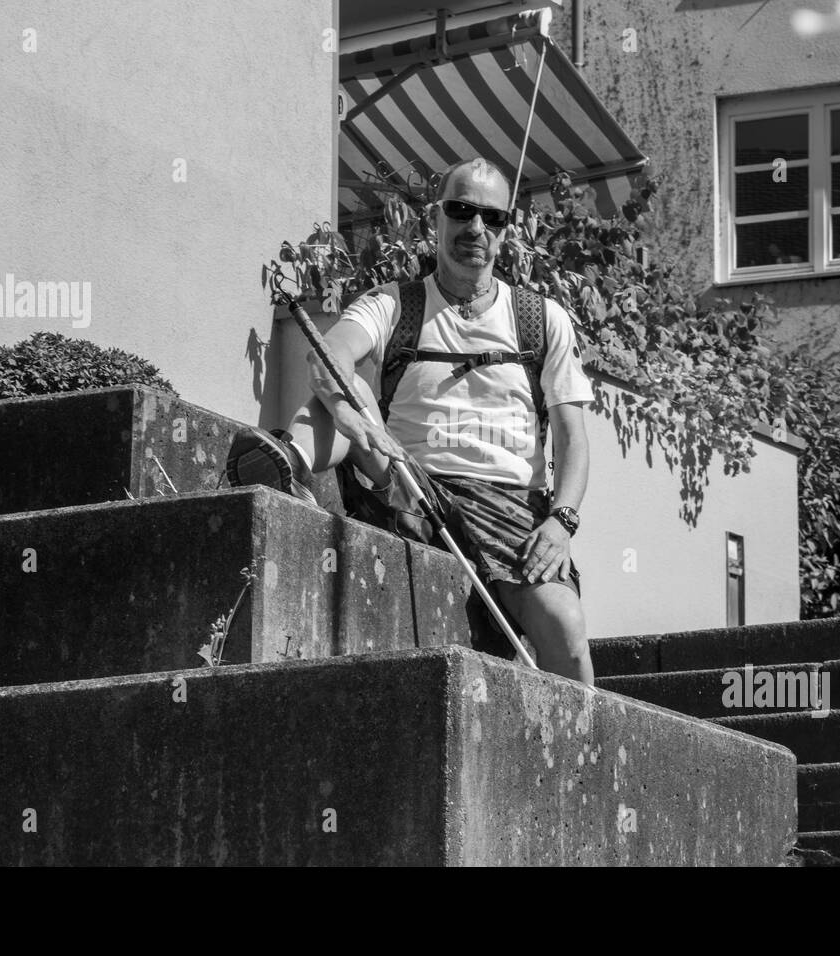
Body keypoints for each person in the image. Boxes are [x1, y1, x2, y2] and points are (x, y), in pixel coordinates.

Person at [250, 157, 594, 685]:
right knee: (349, 391)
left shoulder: (543, 319)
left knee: (567, 632)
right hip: (408, 483)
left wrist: (562, 520)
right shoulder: (391, 304)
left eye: (491, 217)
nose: (475, 229)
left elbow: (571, 436)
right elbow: (325, 356)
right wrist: (353, 417)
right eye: (461, 211)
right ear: (436, 219)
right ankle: (278, 462)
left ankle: (577, 762)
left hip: (514, 511)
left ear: (507, 229)